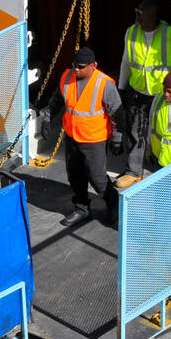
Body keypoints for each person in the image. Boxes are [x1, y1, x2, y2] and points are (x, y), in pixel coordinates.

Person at [43, 46, 127, 227]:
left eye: (81, 66)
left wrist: (117, 138)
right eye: (75, 65)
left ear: (93, 66)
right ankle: (82, 208)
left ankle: (114, 205)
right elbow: (56, 100)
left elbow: (118, 114)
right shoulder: (66, 78)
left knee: (98, 178)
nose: (76, 69)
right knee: (75, 175)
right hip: (72, 137)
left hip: (94, 140)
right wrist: (47, 119)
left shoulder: (104, 84)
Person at [117, 0, 171, 186]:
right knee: (133, 131)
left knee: (160, 133)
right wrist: (121, 89)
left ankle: (160, 171)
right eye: (136, 11)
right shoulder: (131, 32)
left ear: (153, 15)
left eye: (140, 12)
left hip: (161, 96)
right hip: (137, 91)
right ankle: (133, 171)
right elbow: (126, 62)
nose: (137, 15)